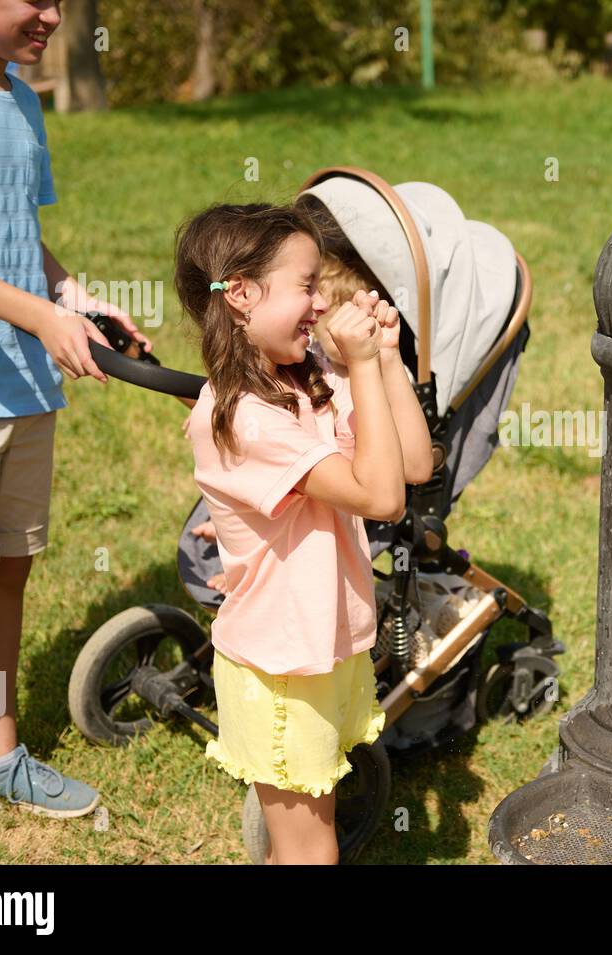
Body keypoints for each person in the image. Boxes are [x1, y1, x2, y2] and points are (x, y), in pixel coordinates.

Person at [0, 0, 150, 865]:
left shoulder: (22, 99)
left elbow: (21, 238)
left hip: (23, 387)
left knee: (9, 571)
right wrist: (38, 315)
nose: (52, 14)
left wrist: (74, 299)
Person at [177, 202, 429, 864]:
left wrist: (386, 359)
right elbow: (382, 496)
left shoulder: (299, 382)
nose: (320, 302)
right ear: (240, 295)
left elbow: (413, 463)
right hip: (281, 667)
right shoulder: (244, 420)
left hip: (323, 648)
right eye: (307, 285)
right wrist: (363, 370)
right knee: (308, 850)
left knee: (302, 841)